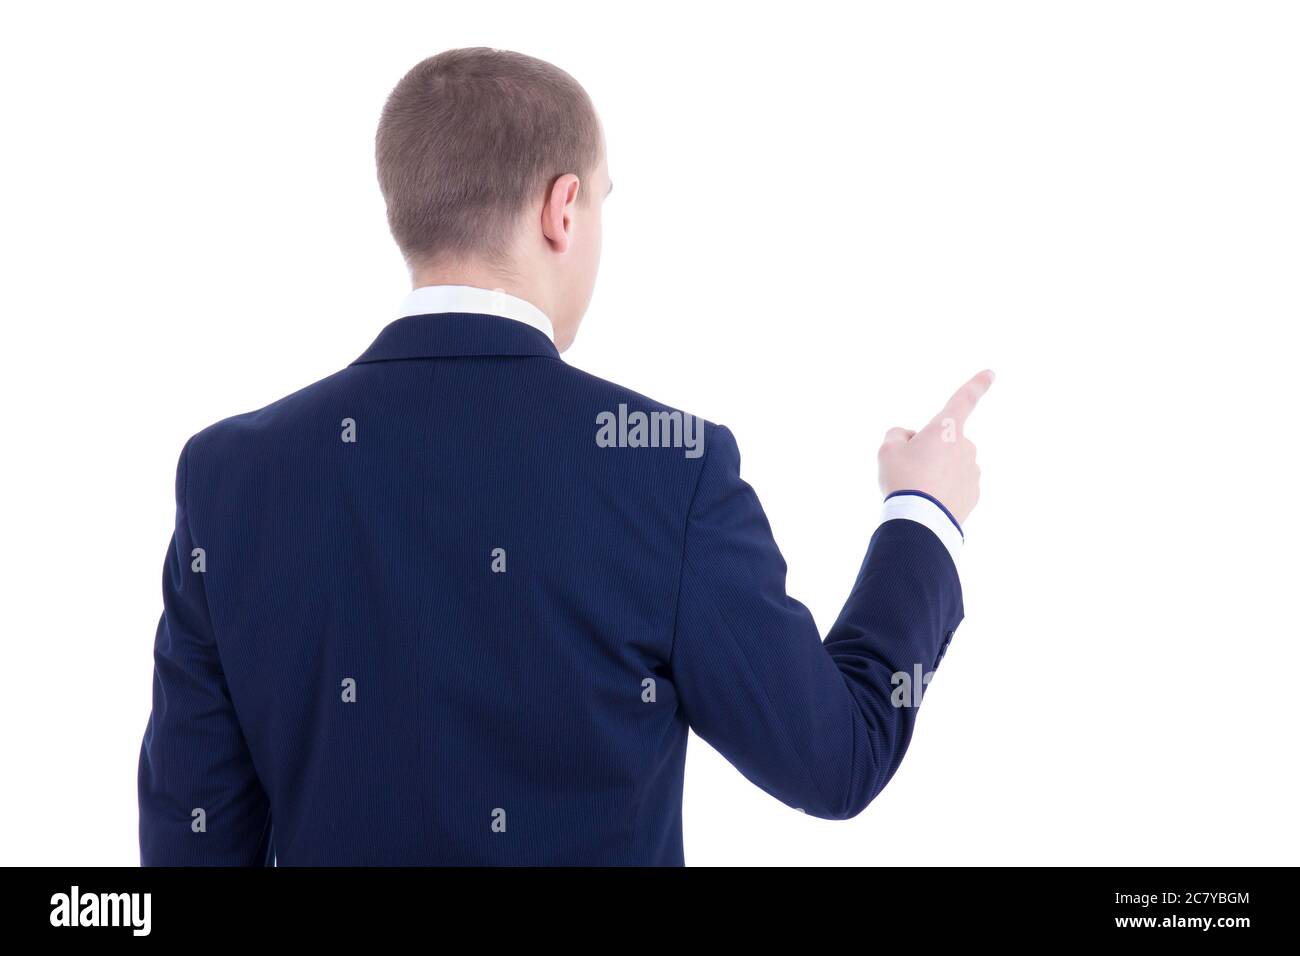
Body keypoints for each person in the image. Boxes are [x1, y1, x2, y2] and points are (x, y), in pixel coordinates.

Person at [138, 47, 992, 866]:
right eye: (604, 205)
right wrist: (924, 515)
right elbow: (834, 758)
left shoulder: (229, 477)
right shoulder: (672, 470)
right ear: (562, 208)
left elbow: (193, 844)